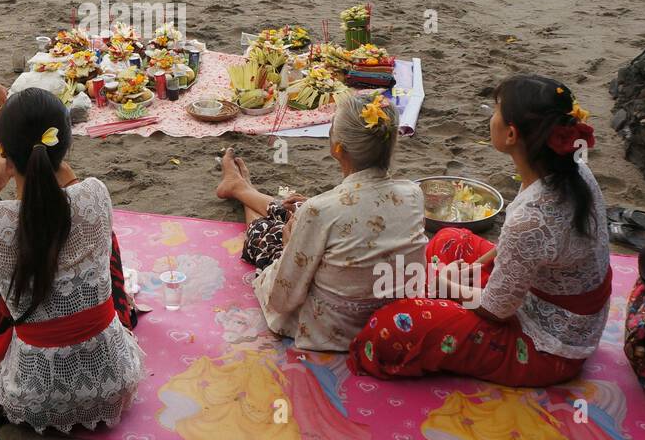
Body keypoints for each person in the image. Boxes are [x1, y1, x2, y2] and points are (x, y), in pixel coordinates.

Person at [348, 74, 610, 388]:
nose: (491, 118)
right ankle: (438, 290)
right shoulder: (571, 168)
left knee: (388, 328)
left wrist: (444, 285)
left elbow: (495, 310)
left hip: (548, 347)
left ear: (511, 134)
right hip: (547, 303)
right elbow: (532, 248)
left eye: (496, 111)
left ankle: (432, 298)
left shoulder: (529, 220)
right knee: (449, 240)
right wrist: (473, 269)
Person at [0, 88, 144, 432]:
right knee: (106, 239)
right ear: (65, 145)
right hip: (115, 383)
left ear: (4, 154)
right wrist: (64, 171)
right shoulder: (94, 194)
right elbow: (73, 216)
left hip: (33, 394)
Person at [215, 91, 427, 351]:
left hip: (334, 330)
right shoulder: (413, 194)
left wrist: (288, 244)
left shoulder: (321, 210)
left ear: (337, 148)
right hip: (394, 320)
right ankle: (241, 188)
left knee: (267, 233)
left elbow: (281, 299)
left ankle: (240, 189)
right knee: (298, 211)